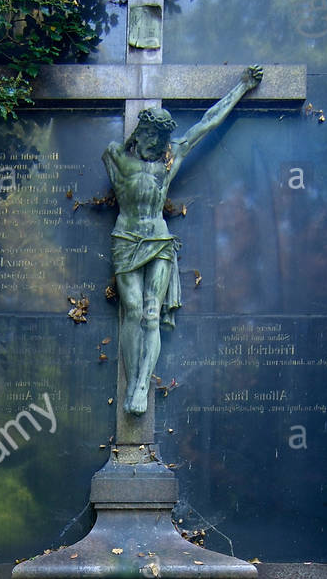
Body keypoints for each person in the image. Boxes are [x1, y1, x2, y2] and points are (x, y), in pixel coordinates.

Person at [102, 64, 264, 414]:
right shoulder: (115, 156)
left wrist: (242, 87)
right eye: (151, 139)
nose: (156, 146)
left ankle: (143, 383)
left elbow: (207, 123)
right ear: (140, 133)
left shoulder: (170, 158)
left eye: (161, 141)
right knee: (130, 310)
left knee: (150, 313)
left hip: (158, 238)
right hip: (126, 237)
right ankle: (134, 381)